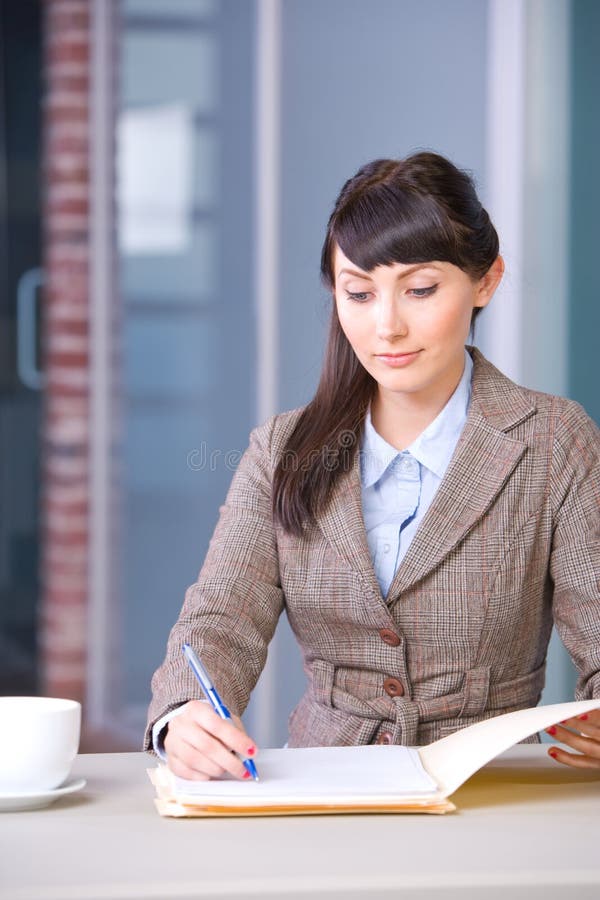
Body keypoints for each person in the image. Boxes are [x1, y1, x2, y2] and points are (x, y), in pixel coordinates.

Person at [145, 151, 600, 781]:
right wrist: (183, 714)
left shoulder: (553, 440)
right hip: (323, 792)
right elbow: (220, 617)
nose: (387, 325)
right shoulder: (282, 449)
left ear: (486, 280)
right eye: (359, 293)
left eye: (419, 289)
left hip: (490, 791)